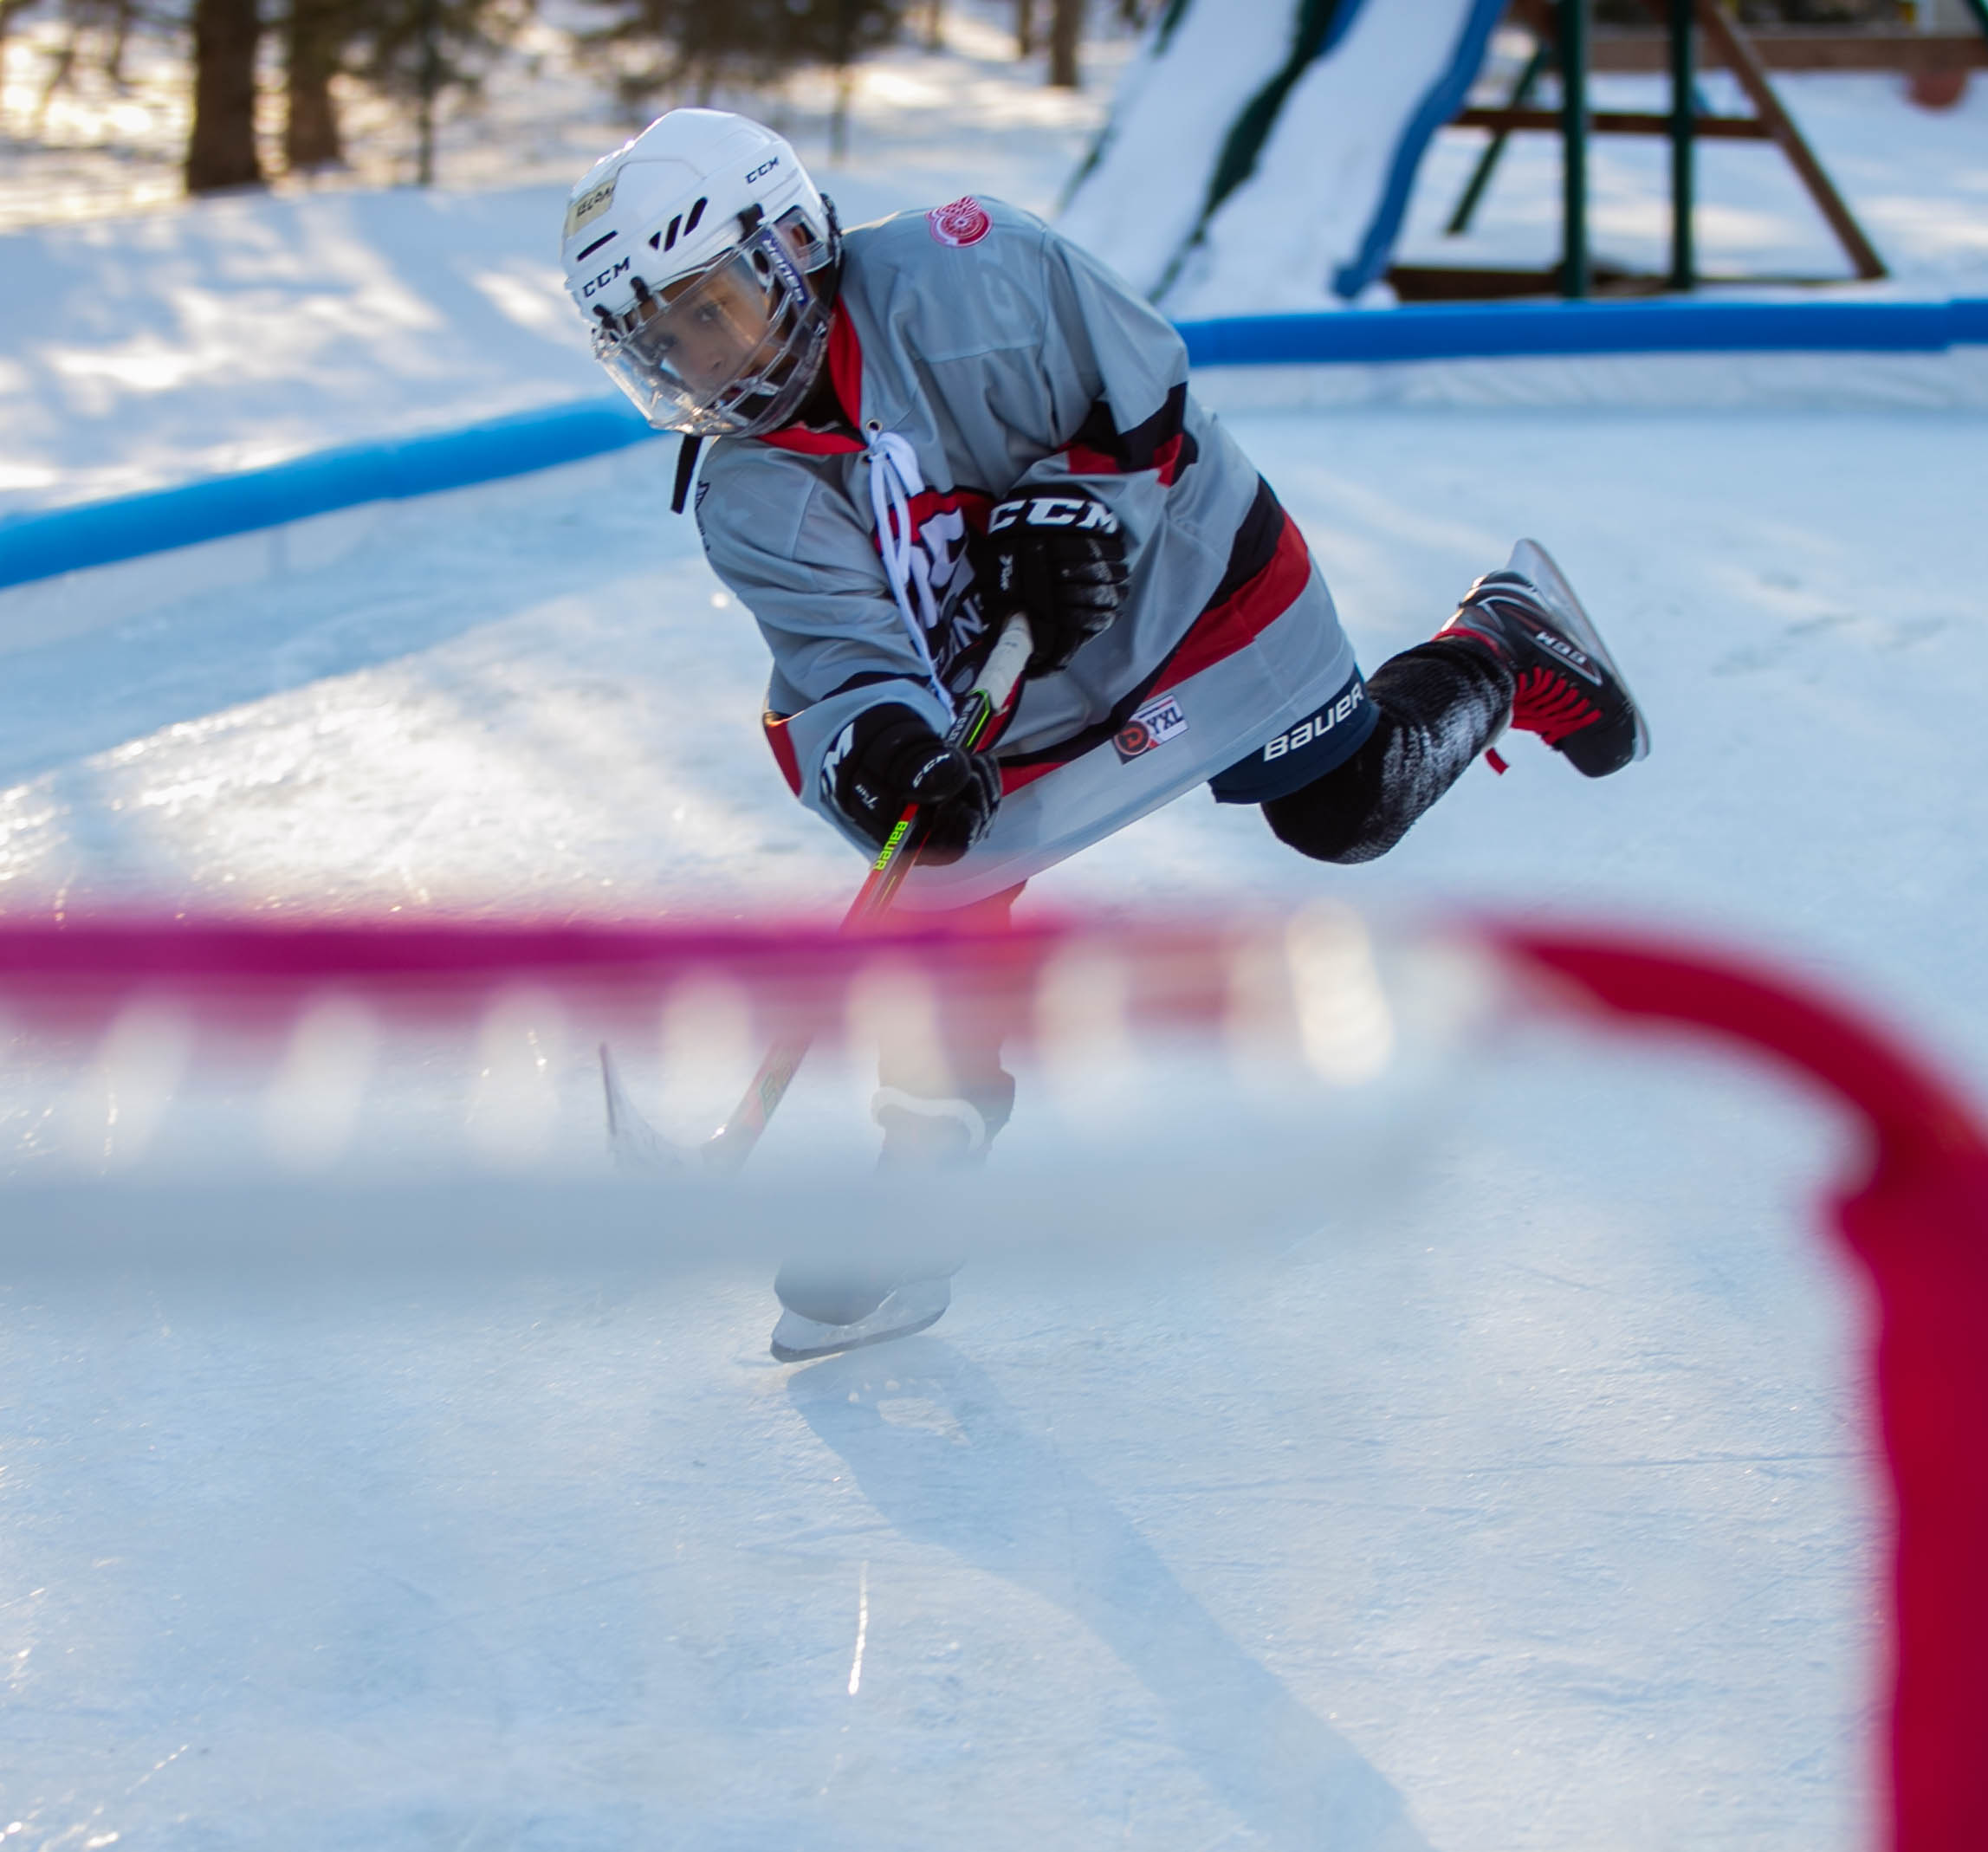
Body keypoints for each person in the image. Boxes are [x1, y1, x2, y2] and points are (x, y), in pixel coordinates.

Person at [560, 109, 1649, 1360]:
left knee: (1342, 812)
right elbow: (845, 662)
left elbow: (1138, 379)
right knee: (937, 878)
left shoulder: (971, 268)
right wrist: (888, 749)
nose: (703, 358)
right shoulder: (746, 492)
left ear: (792, 243)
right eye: (664, 340)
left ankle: (1505, 647)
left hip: (1186, 589)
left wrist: (1082, 508)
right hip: (1000, 681)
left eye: (711, 308)